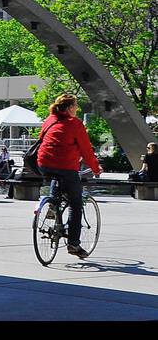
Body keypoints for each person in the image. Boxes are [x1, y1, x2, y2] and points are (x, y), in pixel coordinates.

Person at [36, 93, 102, 258]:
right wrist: (95, 168)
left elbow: (42, 138)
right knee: (75, 203)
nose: (77, 109)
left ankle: (52, 204)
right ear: (70, 108)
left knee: (56, 176)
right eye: (76, 106)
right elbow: (86, 149)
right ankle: (73, 244)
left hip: (43, 163)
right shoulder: (75, 124)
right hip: (66, 166)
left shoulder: (49, 120)